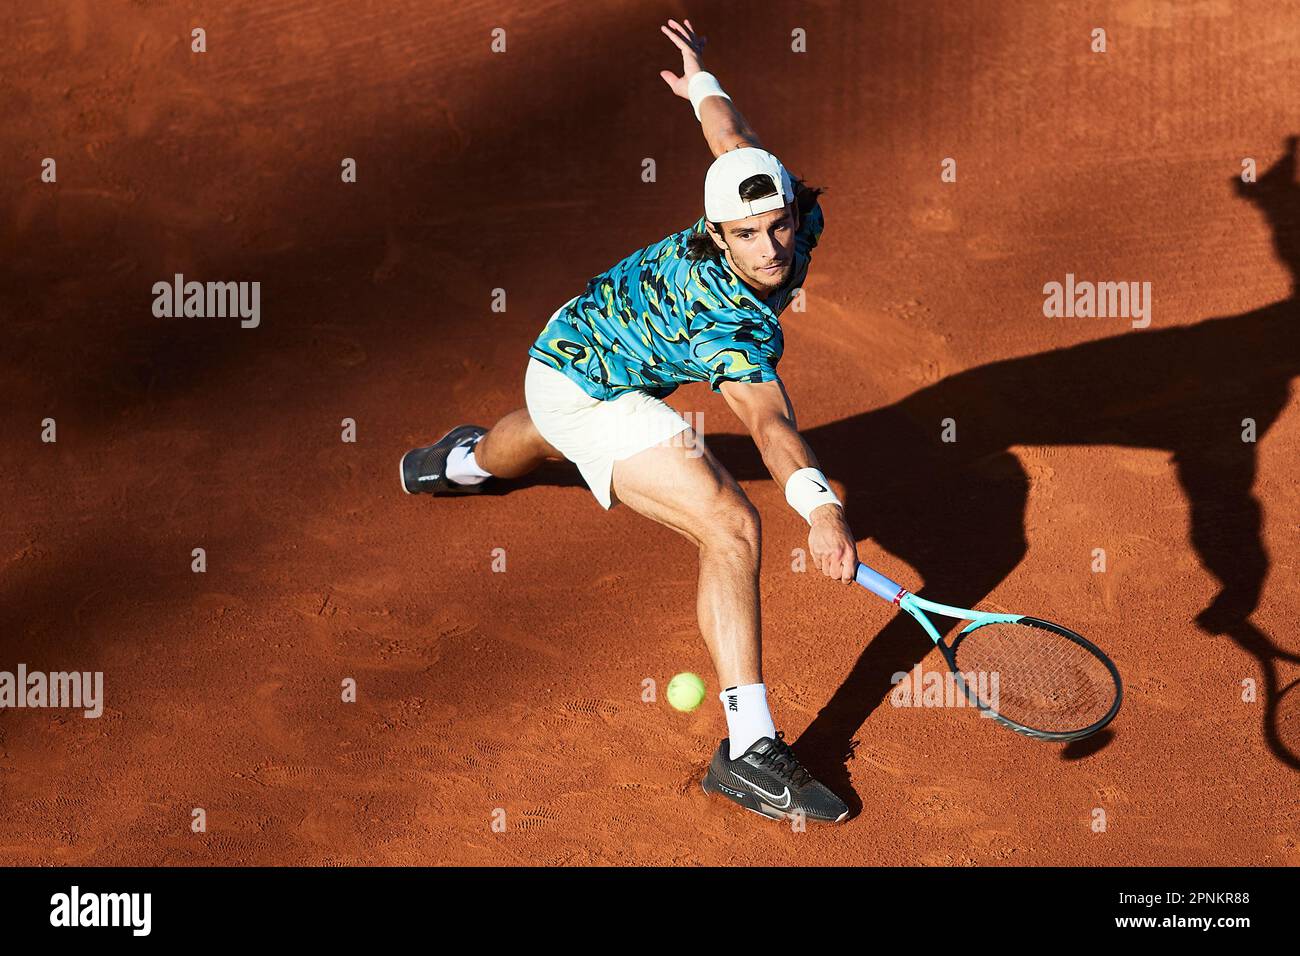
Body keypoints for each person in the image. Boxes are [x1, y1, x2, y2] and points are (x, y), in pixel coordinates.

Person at [401, 19, 858, 823]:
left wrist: (701, 82)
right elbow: (768, 423)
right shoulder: (723, 316)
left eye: (779, 224)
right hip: (584, 383)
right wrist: (819, 507)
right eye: (747, 237)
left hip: (571, 343)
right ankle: (749, 752)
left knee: (545, 434)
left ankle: (464, 462)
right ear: (716, 236)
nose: (771, 249)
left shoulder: (765, 195)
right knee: (732, 525)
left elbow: (735, 142)